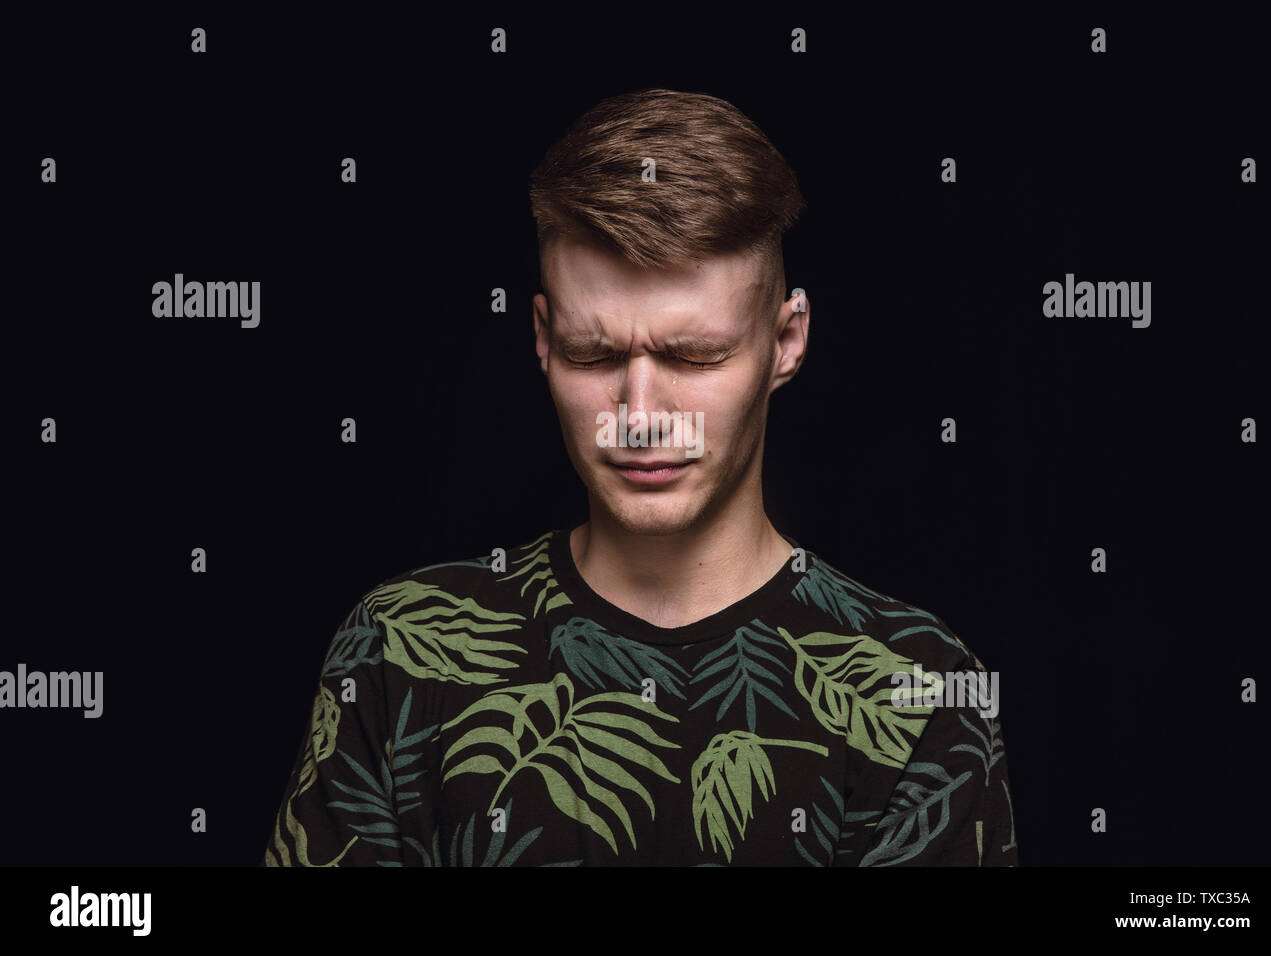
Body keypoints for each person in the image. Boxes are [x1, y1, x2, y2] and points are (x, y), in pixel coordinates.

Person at [263, 88, 1017, 867]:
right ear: (544, 340)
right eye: (595, 356)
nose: (641, 414)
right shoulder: (400, 650)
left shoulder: (921, 686)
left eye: (695, 357)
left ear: (786, 342)